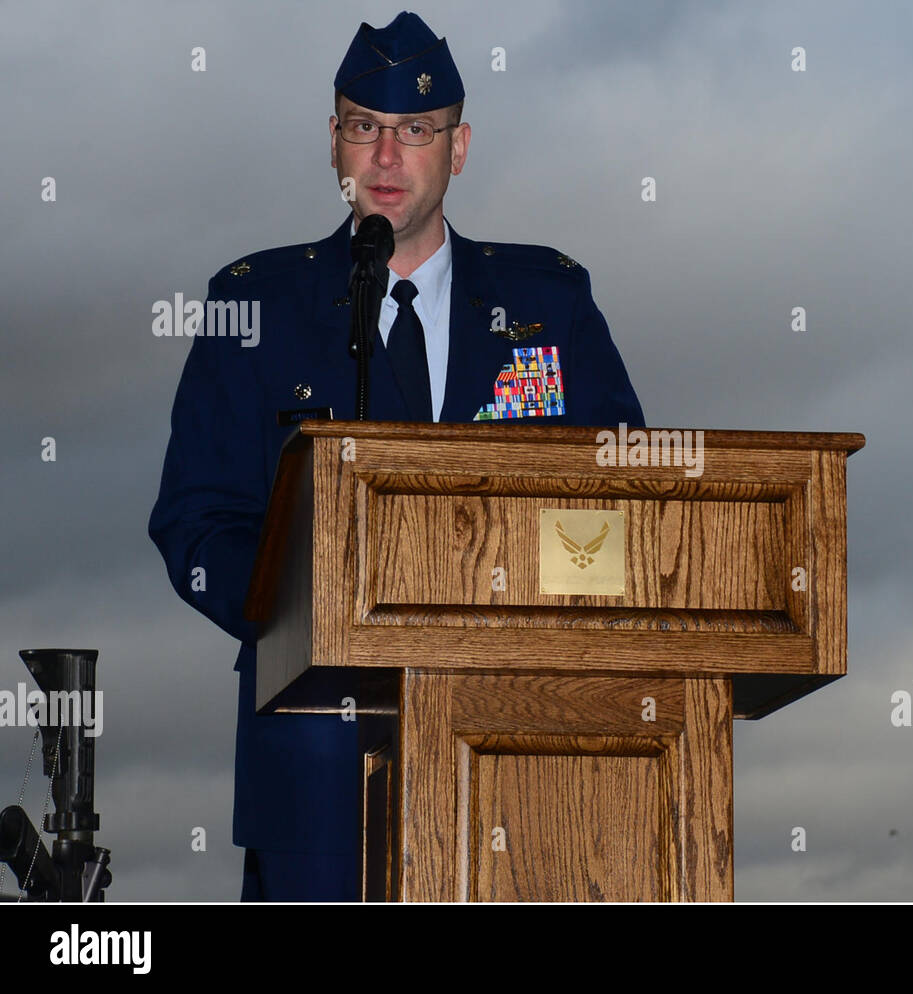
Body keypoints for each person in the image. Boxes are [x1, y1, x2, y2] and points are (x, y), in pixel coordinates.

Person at [147, 11, 645, 901]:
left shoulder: (551, 301)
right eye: (363, 128)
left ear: (458, 149)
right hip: (316, 763)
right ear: (332, 144)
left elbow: (626, 493)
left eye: (414, 131)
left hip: (526, 760)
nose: (385, 157)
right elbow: (196, 519)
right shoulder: (250, 304)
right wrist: (298, 603)